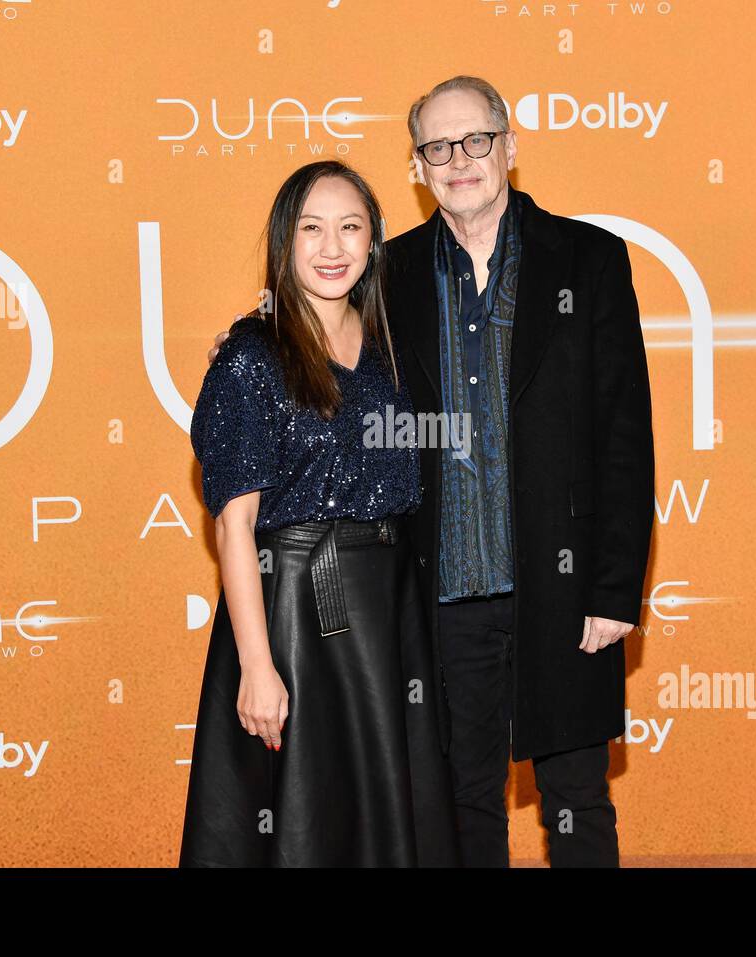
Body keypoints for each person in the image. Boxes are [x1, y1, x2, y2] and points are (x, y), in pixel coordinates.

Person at [210, 75, 656, 868]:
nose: (459, 159)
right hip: (438, 598)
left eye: (476, 139)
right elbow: (320, 335)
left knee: (579, 804)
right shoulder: (391, 276)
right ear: (417, 167)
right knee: (458, 810)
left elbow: (624, 434)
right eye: (437, 147)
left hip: (564, 586)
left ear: (509, 148)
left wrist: (616, 588)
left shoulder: (589, 260)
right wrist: (252, 341)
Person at [178, 160, 459, 867]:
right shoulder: (251, 355)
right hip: (297, 615)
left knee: (395, 814)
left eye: (350, 227)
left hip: (390, 611)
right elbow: (234, 526)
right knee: (308, 818)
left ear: (373, 243)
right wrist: (256, 666)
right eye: (312, 228)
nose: (331, 247)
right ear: (285, 240)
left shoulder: (395, 346)